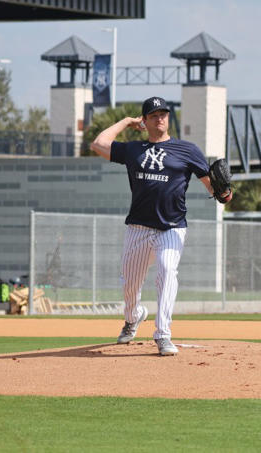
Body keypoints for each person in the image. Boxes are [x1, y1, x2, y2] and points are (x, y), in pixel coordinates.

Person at [90, 96, 232, 356]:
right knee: (130, 284)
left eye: (163, 114)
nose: (160, 118)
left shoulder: (187, 150)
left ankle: (163, 334)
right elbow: (98, 144)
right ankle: (133, 317)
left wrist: (225, 194)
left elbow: (213, 187)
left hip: (172, 226)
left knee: (167, 271)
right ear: (144, 121)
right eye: (154, 115)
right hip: (138, 227)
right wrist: (126, 121)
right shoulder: (134, 150)